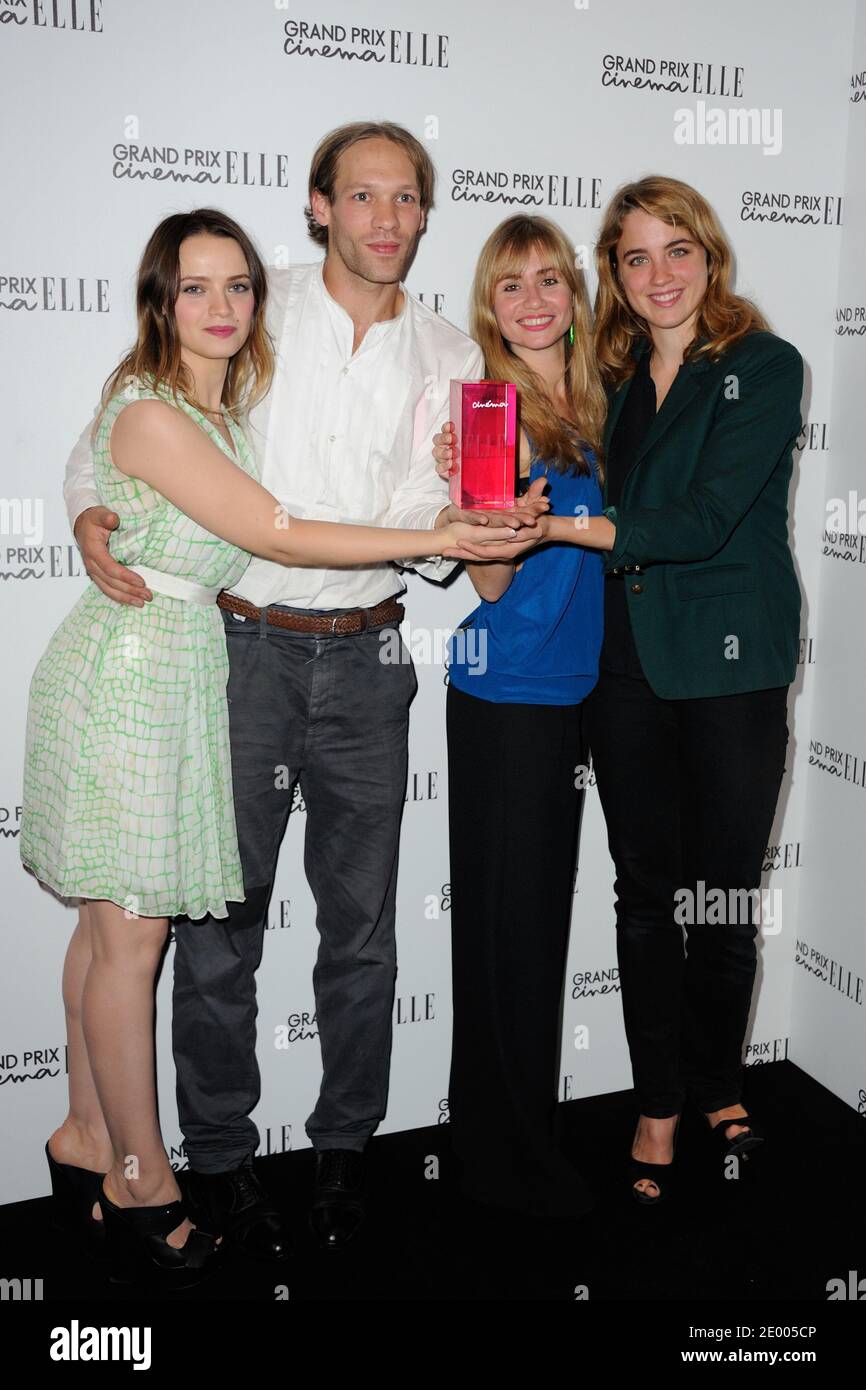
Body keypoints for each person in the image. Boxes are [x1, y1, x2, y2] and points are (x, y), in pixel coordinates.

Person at [61, 124, 546, 1255]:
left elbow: (438, 534)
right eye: (362, 195)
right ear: (320, 205)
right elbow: (129, 415)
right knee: (218, 925)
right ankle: (218, 1158)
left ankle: (343, 1150)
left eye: (406, 198)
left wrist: (466, 514)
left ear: (425, 213)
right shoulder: (251, 302)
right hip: (241, 651)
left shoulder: (452, 357)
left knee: (360, 929)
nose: (386, 218)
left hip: (373, 657)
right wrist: (86, 507)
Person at [451, 175, 804, 1205]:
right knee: (646, 892)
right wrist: (476, 479)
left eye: (676, 250)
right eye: (635, 256)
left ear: (709, 256)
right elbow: (520, 474)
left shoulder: (760, 365)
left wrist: (560, 526)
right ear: (614, 273)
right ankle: (655, 1103)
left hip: (730, 667)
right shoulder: (604, 382)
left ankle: (715, 1082)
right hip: (624, 670)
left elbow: (702, 520)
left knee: (721, 894)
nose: (658, 274)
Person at [439, 215, 607, 1219]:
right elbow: (494, 585)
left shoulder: (598, 398)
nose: (534, 300)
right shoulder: (488, 411)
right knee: (507, 935)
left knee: (534, 929)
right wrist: (494, 511)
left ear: (573, 296)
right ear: (489, 306)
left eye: (549, 279)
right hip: (505, 691)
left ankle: (510, 1147)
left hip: (577, 691)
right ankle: (505, 1164)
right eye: (511, 285)